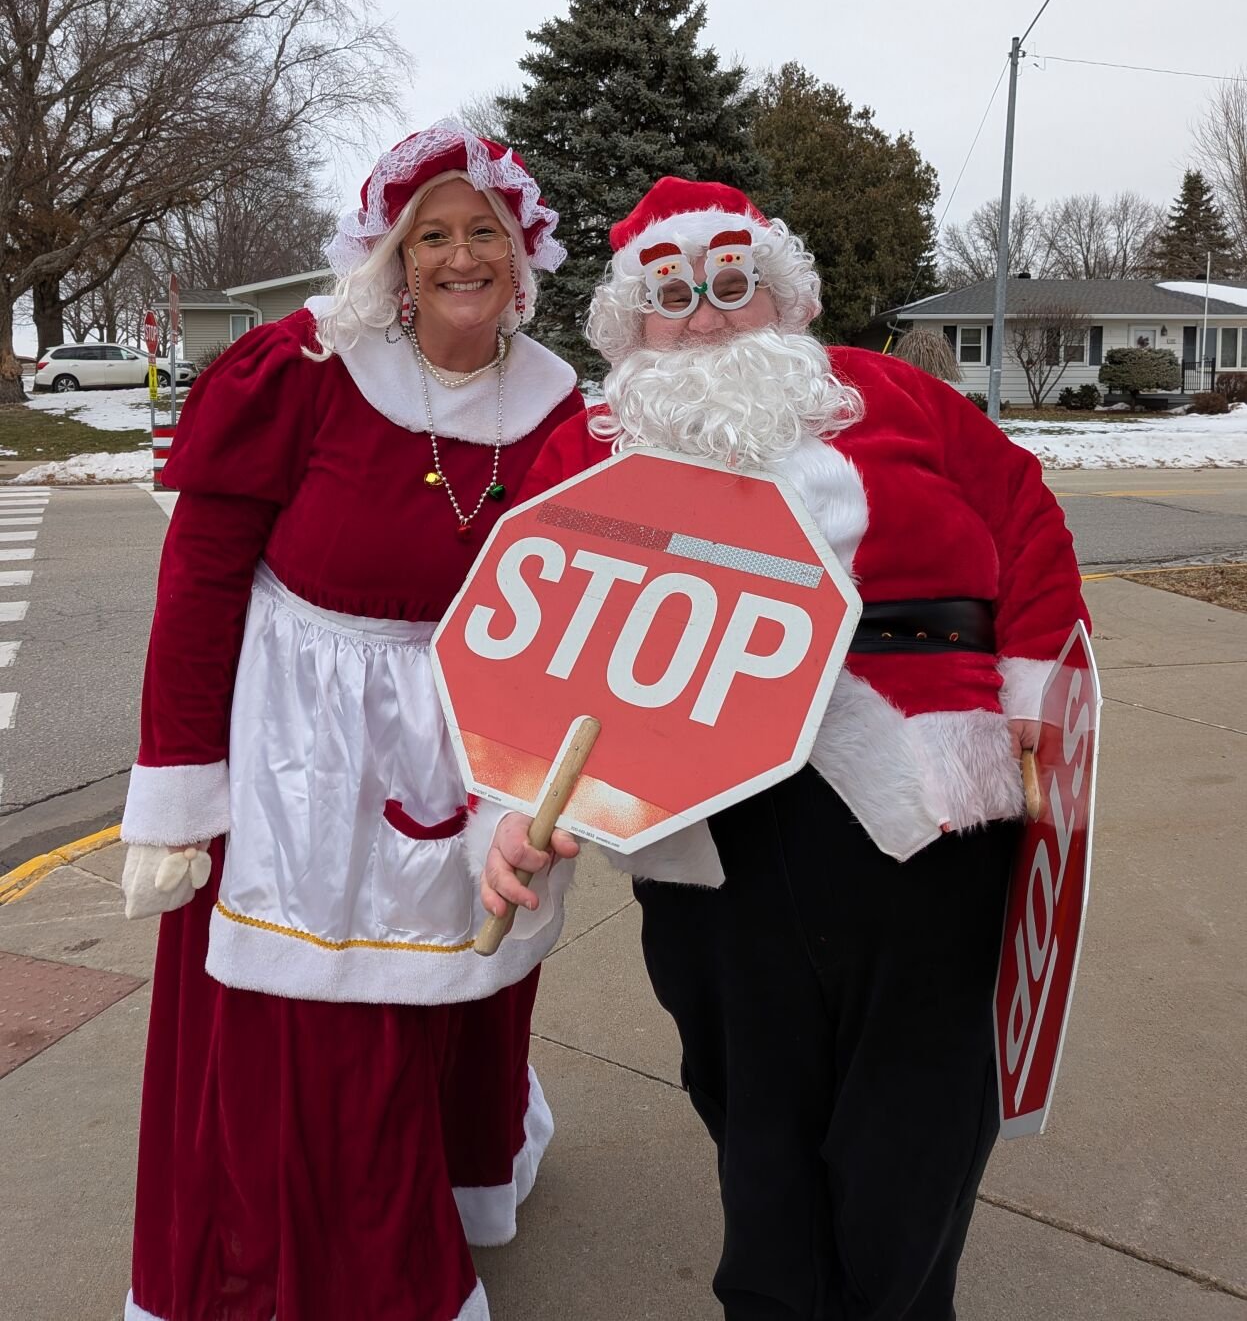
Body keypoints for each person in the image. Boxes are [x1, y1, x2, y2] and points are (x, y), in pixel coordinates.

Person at [484, 176, 1089, 1321]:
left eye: (731, 283)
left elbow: (1023, 509)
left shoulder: (888, 392)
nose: (705, 315)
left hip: (923, 797)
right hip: (707, 825)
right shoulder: (592, 441)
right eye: (672, 292)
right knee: (754, 1119)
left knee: (913, 1124)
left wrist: (1034, 690)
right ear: (631, 318)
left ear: (782, 297)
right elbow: (531, 635)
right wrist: (518, 803)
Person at [118, 121, 584, 1321]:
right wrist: (177, 782)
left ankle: (453, 1181)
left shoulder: (557, 412)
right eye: (430, 233)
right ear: (390, 254)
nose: (458, 255)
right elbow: (202, 576)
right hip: (295, 747)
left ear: (524, 254)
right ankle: (338, 1274)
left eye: (483, 230)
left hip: (464, 740)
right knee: (314, 1033)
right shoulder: (304, 370)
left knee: (454, 993)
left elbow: (579, 606)